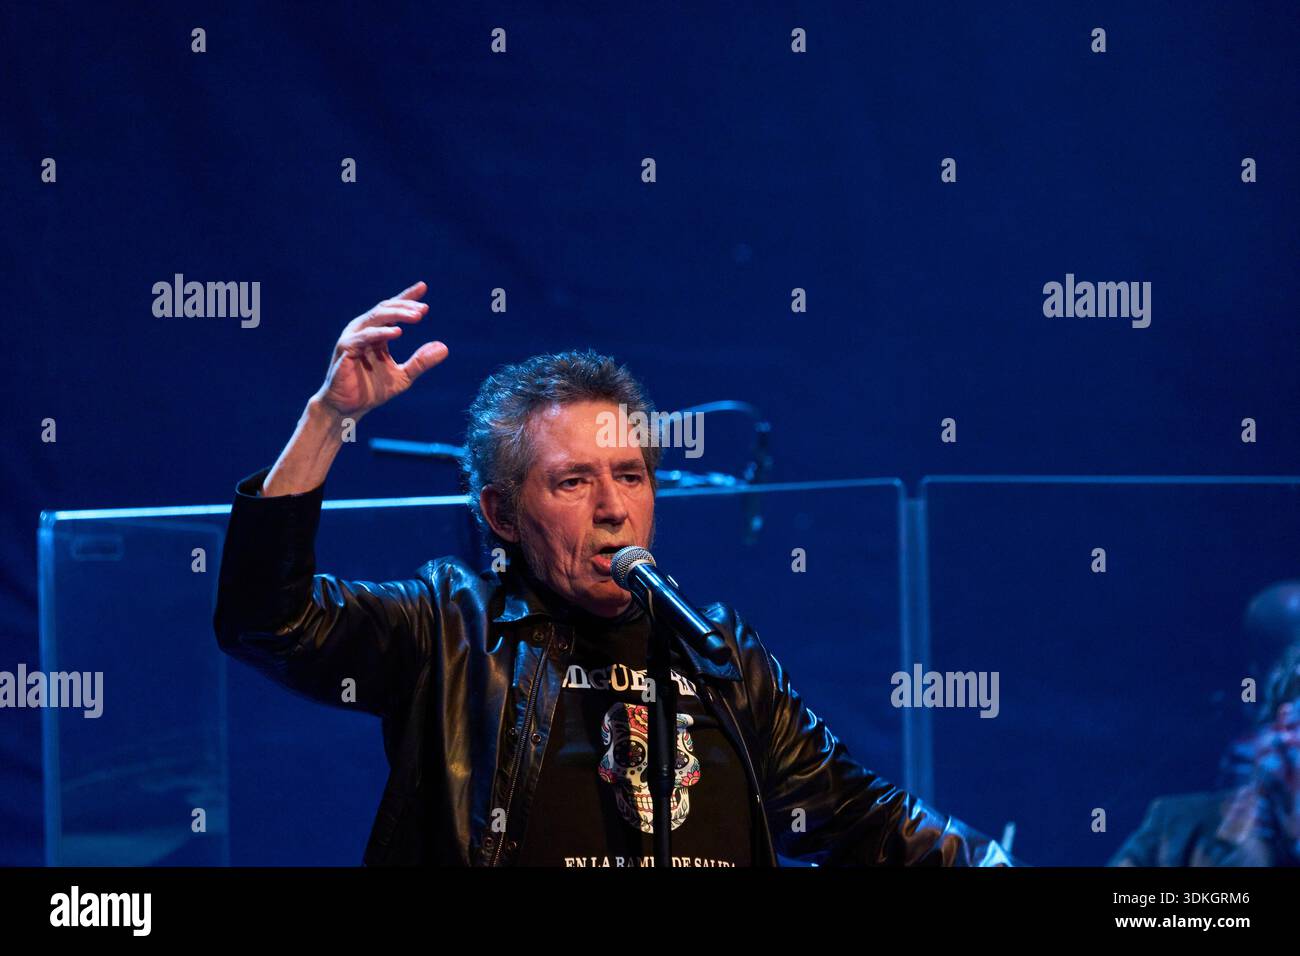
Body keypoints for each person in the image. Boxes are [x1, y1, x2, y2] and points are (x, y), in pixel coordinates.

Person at [213, 280, 1015, 867]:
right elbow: (267, 621)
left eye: (631, 476)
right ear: (500, 515)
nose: (612, 508)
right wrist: (328, 419)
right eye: (572, 481)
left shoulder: (719, 653)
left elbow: (857, 816)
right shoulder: (451, 628)